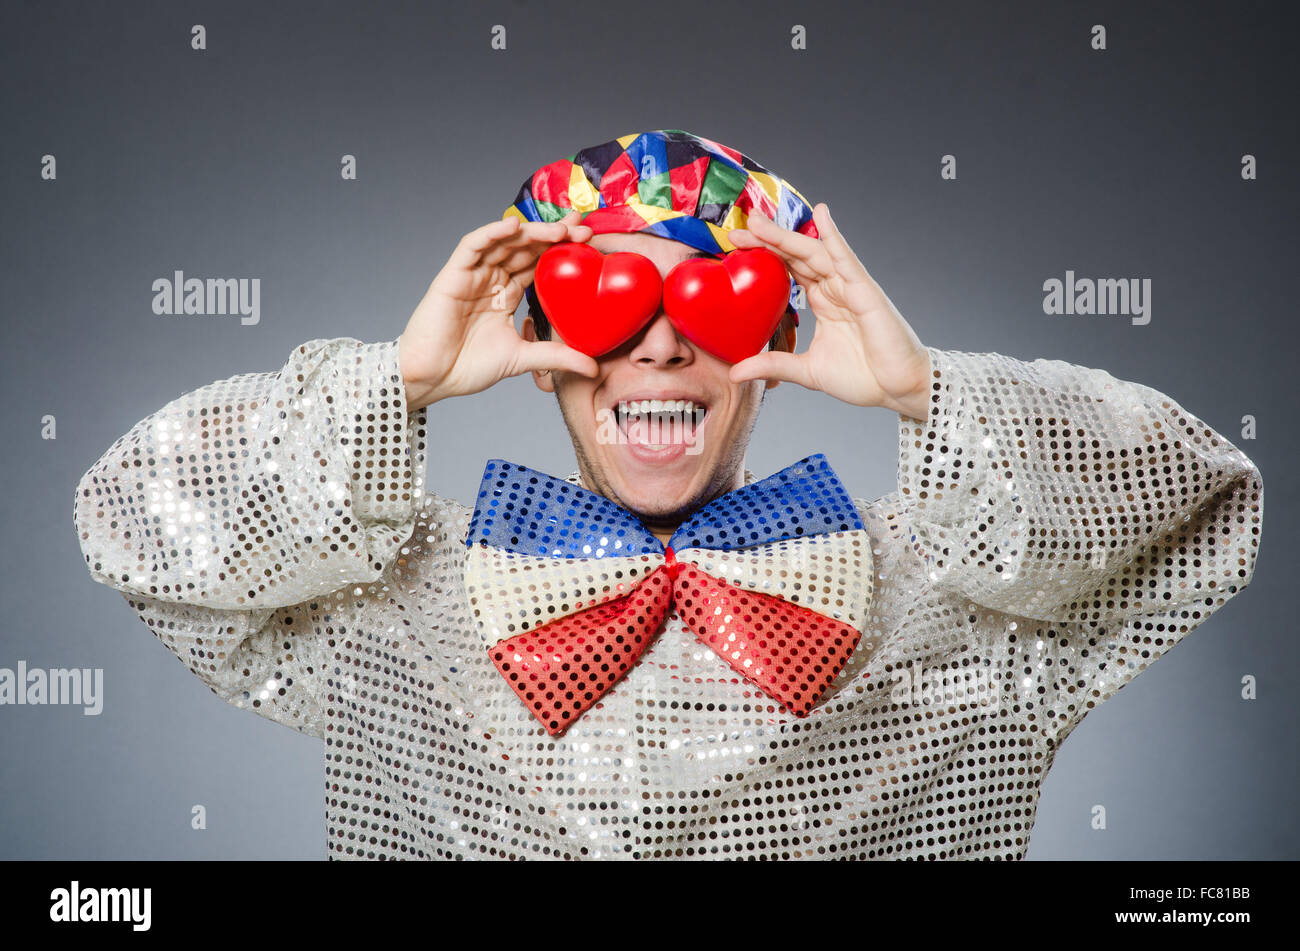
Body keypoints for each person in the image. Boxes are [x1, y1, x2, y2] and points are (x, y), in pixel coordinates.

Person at [73, 129, 1263, 860]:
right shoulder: (389, 605)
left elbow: (1202, 503)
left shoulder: (959, 604)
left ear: (775, 345)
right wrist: (400, 383)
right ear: (539, 349)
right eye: (605, 308)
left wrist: (925, 390)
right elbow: (132, 518)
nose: (654, 350)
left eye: (711, 303)